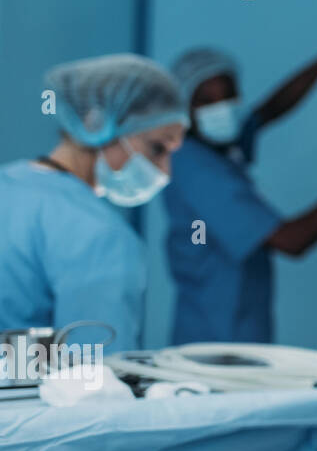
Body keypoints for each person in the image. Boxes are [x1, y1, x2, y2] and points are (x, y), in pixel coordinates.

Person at [164, 15, 317, 344]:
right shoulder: (197, 169)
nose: (221, 108)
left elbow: (274, 106)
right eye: (206, 100)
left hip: (239, 336)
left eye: (228, 95)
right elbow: (292, 241)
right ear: (182, 109)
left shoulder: (218, 145)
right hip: (217, 349)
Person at [0, 54, 187, 350]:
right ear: (96, 122)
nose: (165, 172)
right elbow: (95, 376)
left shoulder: (8, 186)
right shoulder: (98, 234)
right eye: (157, 148)